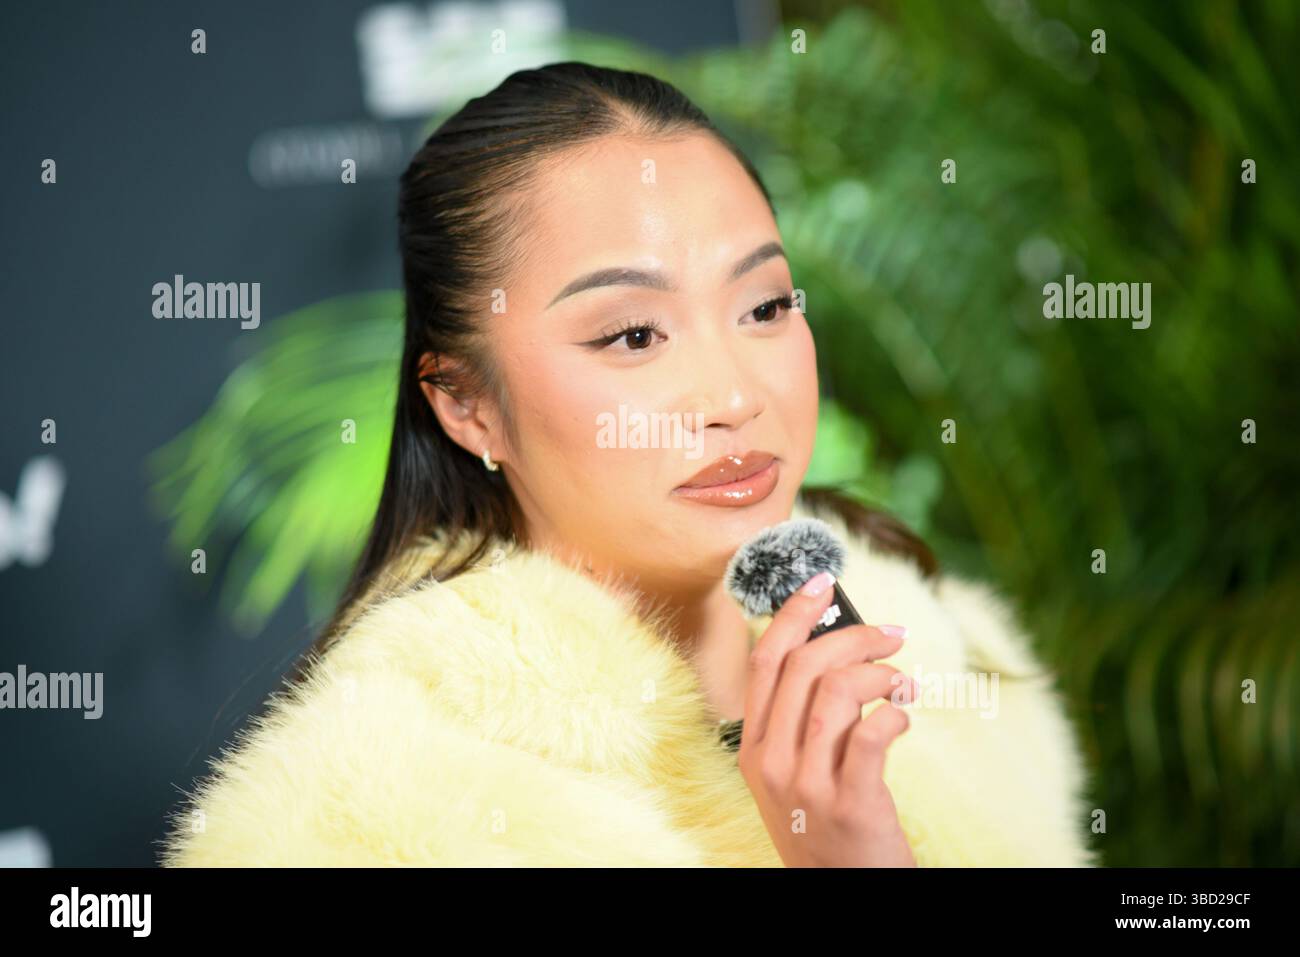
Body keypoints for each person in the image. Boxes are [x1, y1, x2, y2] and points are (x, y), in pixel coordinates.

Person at [160, 62, 1096, 867]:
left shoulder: (943, 658)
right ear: (465, 402)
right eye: (634, 332)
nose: (734, 396)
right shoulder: (354, 819)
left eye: (766, 307)